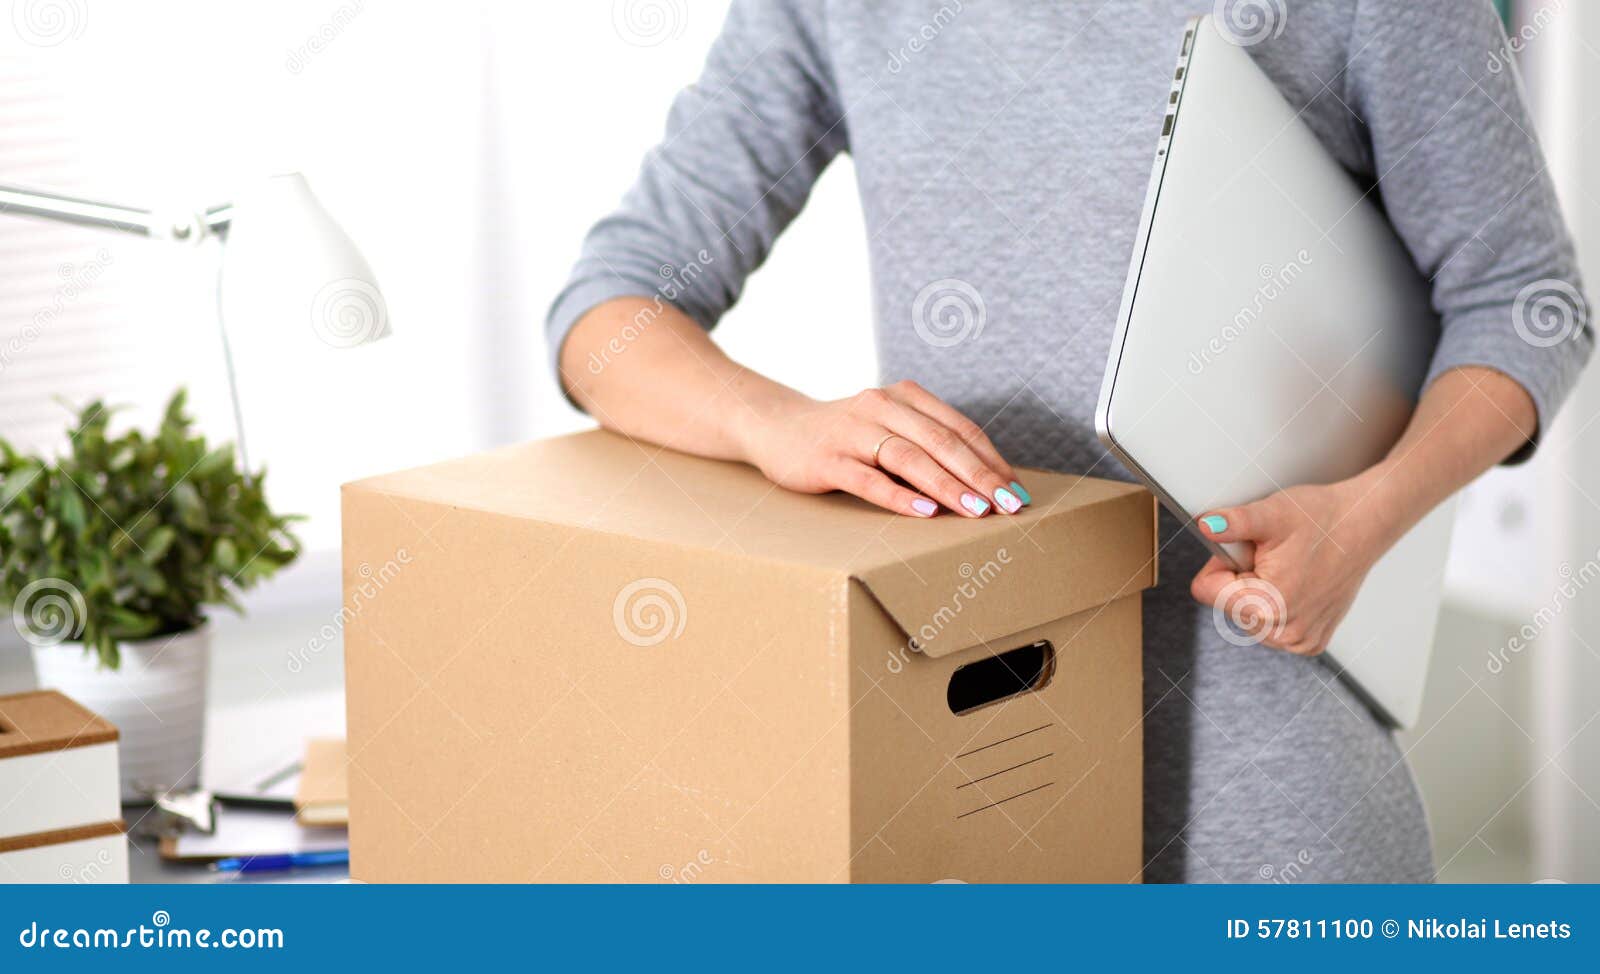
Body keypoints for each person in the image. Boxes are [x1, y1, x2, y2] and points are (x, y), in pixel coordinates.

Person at [546, 0, 1591, 881]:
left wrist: (1364, 519)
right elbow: (607, 310)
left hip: (1265, 797)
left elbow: (1523, 298)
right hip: (967, 772)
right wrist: (774, 422)